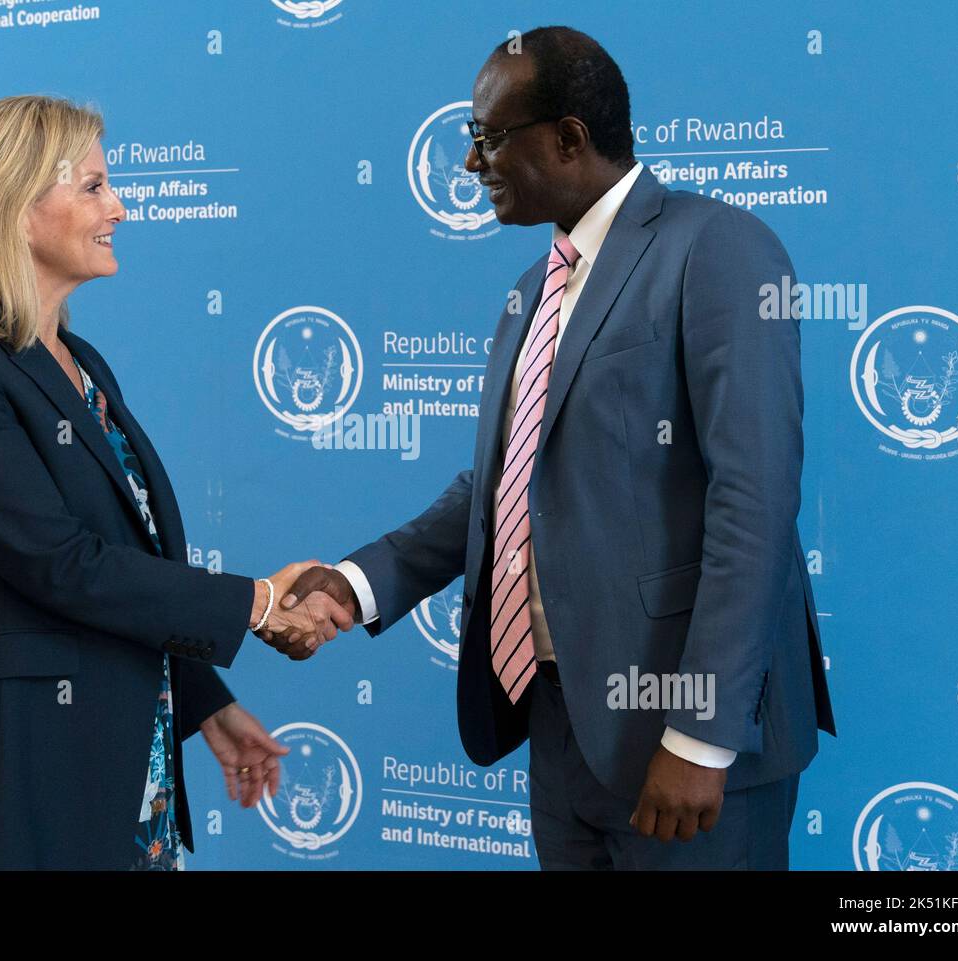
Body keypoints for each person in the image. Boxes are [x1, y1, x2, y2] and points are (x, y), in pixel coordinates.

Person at [270, 27, 836, 870]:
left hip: (682, 739)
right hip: (560, 729)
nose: (470, 163)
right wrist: (354, 585)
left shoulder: (716, 247)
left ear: (569, 137)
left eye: (488, 137)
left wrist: (703, 733)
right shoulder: (536, 286)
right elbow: (505, 486)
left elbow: (753, 501)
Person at [0, 95, 351, 870]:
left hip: (125, 762)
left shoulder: (83, 364)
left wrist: (203, 702)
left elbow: (131, 552)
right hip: (12, 771)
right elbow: (60, 562)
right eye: (92, 187)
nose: (119, 206)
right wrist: (256, 603)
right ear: (17, 208)